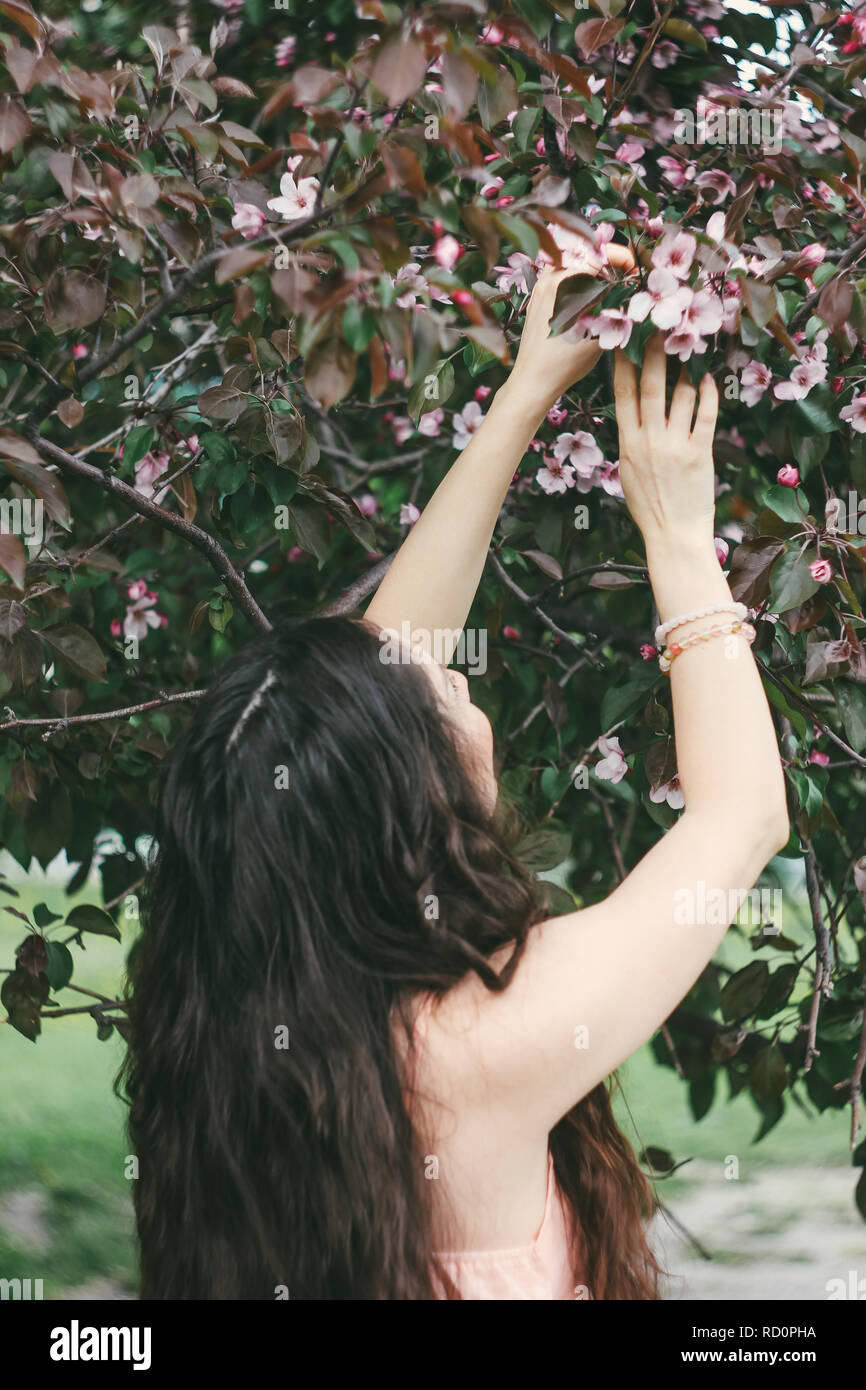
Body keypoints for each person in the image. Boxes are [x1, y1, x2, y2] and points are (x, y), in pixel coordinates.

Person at [121, 248, 789, 1300]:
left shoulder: (226, 1021)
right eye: (439, 706)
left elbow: (369, 690)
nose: (457, 687)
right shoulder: (473, 1049)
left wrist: (525, 393)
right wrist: (676, 532)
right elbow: (740, 816)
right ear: (402, 811)